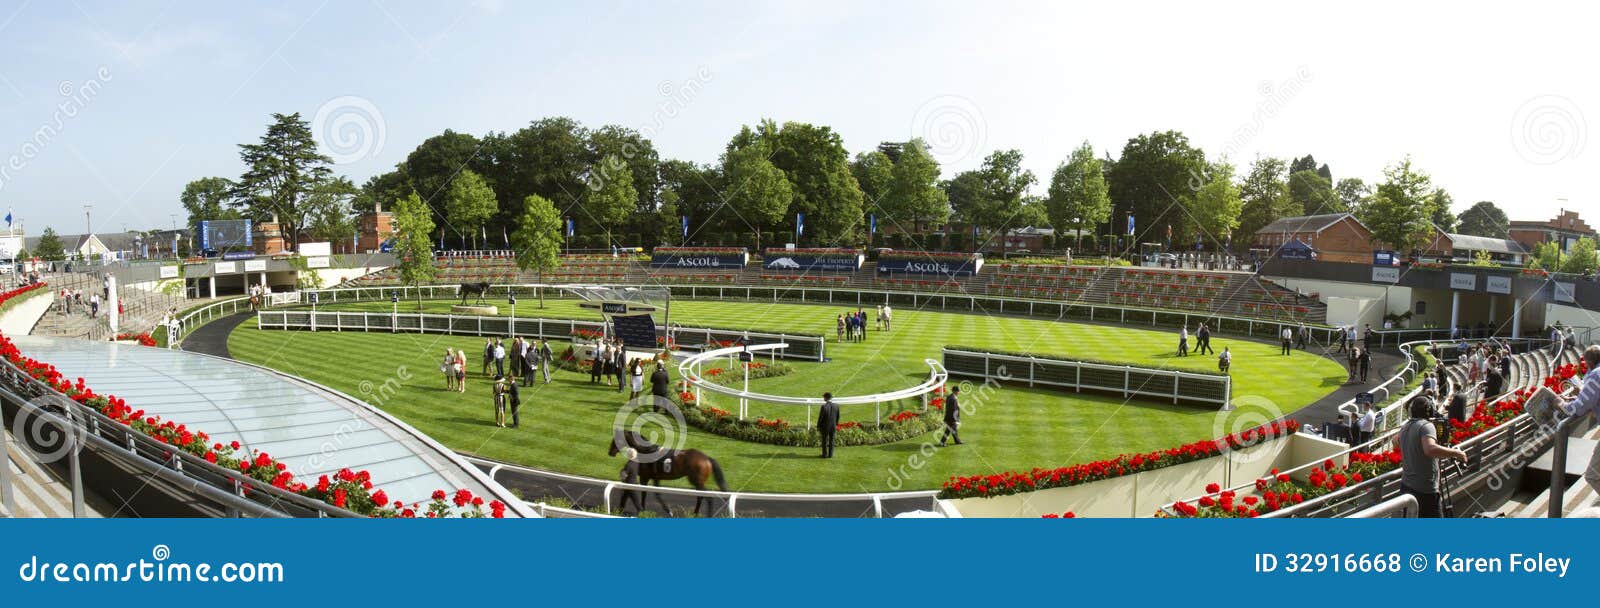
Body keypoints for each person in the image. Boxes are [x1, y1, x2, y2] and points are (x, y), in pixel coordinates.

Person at [1394, 396, 1467, 518]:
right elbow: (1430, 449)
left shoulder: (1405, 427)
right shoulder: (1427, 426)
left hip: (1406, 487)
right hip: (1425, 491)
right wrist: (1457, 453)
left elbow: (1395, 442)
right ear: (1430, 410)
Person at [1557, 346, 1600, 494]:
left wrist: (1561, 404)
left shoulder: (1595, 375)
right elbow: (1592, 400)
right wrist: (1579, 396)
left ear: (1589, 362)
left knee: (1593, 475)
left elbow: (1580, 407)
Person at [816, 392, 840, 458]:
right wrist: (836, 424)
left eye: (824, 397)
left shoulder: (824, 406)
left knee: (824, 441)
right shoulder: (836, 406)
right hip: (833, 426)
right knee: (832, 440)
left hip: (825, 427)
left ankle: (824, 454)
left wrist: (818, 426)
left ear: (826, 398)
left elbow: (821, 418)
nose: (823, 398)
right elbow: (838, 417)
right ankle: (830, 455)